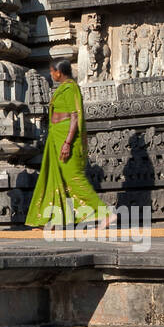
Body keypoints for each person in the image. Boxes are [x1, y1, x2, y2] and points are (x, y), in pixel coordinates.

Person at [25, 59, 110, 227]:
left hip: (65, 135)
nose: (50, 75)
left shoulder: (71, 88)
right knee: (57, 178)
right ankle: (54, 218)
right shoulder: (64, 88)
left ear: (59, 72)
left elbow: (75, 116)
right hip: (57, 135)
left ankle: (105, 212)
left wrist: (67, 142)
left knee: (73, 177)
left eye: (51, 72)